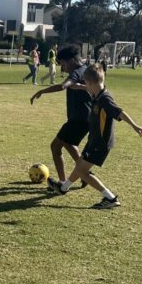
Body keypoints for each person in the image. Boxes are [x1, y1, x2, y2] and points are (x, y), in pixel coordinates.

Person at [51, 63, 142, 209]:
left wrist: (135, 126)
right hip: (94, 140)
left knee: (83, 171)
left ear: (89, 82)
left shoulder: (105, 99)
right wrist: (79, 86)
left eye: (85, 84)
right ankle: (64, 188)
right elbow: (90, 89)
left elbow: (120, 112)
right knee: (80, 165)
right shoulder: (97, 94)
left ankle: (110, 197)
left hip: (100, 143)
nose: (85, 87)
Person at [30, 45, 91, 192]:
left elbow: (64, 85)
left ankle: (63, 182)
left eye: (63, 64)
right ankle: (84, 174)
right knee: (69, 145)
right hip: (86, 118)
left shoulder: (76, 72)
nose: (62, 68)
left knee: (55, 147)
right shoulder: (87, 70)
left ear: (71, 61)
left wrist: (42, 90)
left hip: (78, 119)